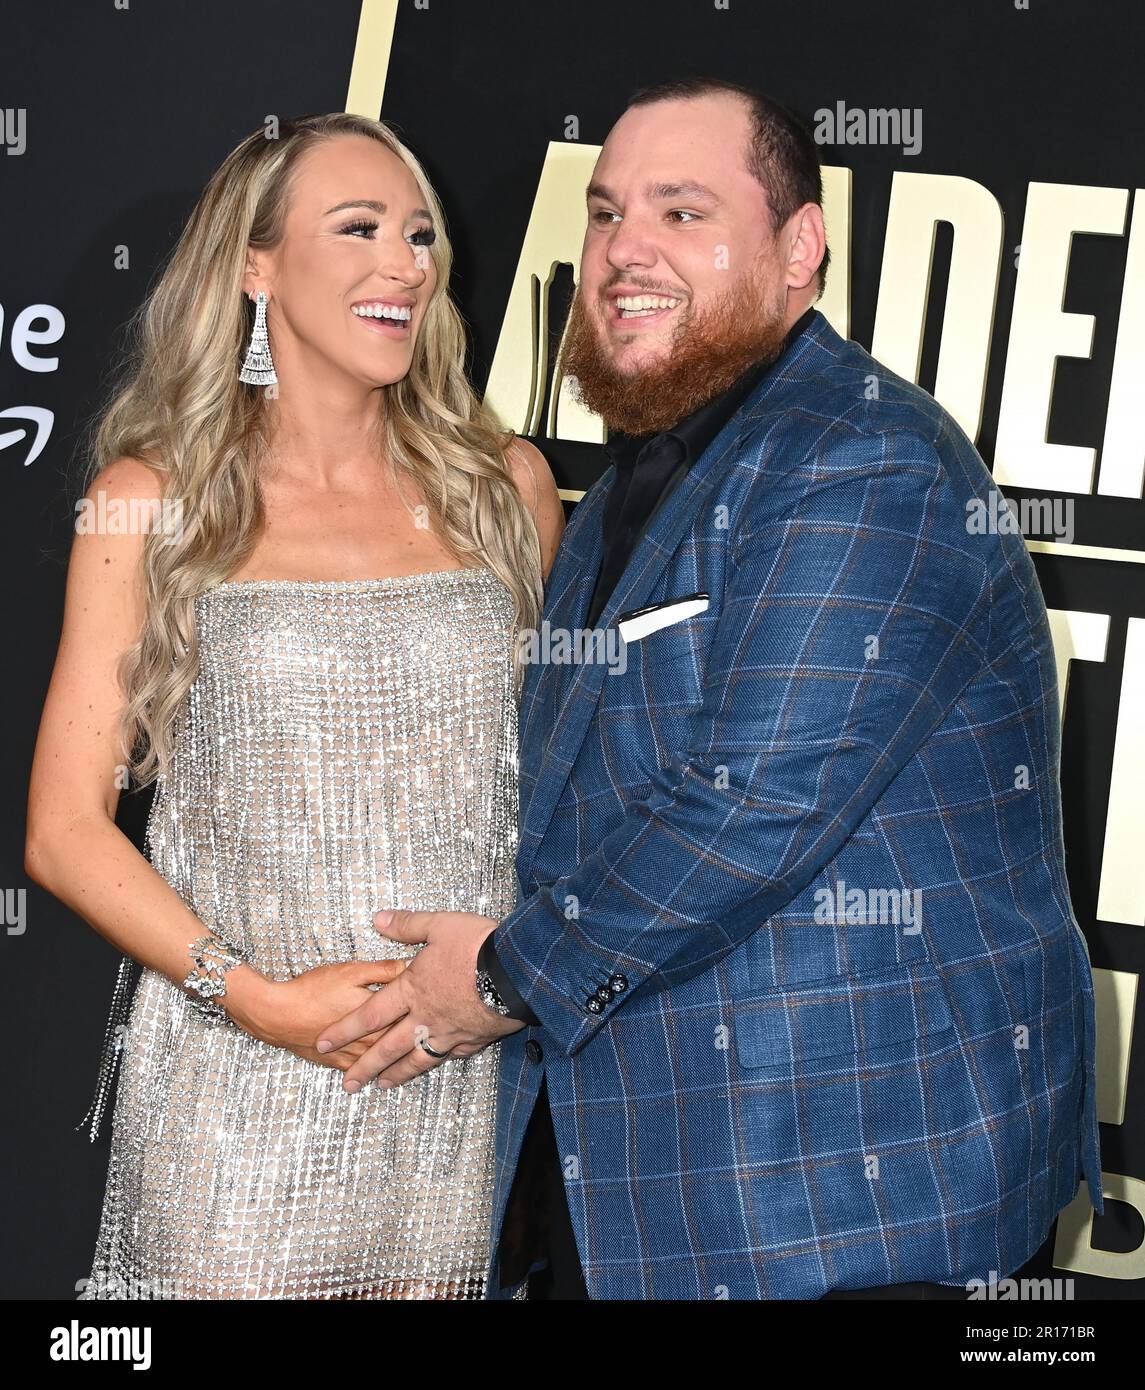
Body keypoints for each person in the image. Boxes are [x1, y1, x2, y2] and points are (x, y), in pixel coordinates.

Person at [314, 78, 1104, 1301]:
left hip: (845, 1203)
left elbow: (749, 806)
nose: (626, 251)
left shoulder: (864, 458)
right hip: (639, 1170)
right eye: (608, 213)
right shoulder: (650, 456)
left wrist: (493, 979)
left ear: (800, 249)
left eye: (682, 213)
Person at [24, 112, 562, 1300]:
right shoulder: (149, 500)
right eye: (358, 227)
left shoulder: (502, 487)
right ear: (255, 264)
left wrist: (498, 989)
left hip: (455, 1092)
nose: (402, 264)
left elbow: (558, 796)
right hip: (234, 1106)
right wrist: (255, 999)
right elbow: (62, 830)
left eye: (418, 236)